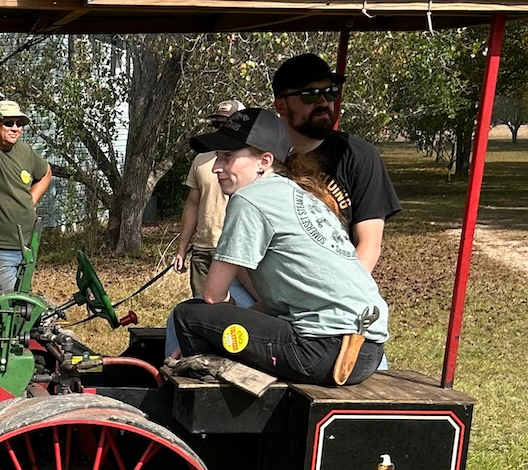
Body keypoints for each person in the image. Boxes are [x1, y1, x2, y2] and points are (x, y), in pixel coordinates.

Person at [167, 107, 388, 386]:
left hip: (324, 350)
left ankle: (219, 417)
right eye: (216, 157)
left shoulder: (250, 199)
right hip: (365, 351)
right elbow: (275, 306)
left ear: (264, 161)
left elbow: (213, 295)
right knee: (206, 322)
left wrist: (206, 332)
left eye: (228, 157)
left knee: (188, 315)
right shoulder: (298, 194)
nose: (216, 167)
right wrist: (220, 327)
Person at [271, 53, 400, 273]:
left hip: (336, 289)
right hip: (267, 291)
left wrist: (337, 296)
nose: (323, 102)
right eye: (310, 95)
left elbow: (369, 245)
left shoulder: (358, 156)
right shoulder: (260, 157)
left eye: (330, 93)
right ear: (281, 105)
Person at [0, 99, 52, 292]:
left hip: (26, 247)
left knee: (20, 302)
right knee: (14, 307)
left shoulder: (24, 151)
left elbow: (46, 173)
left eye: (19, 124)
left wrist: (32, 199)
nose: (15, 128)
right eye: (8, 123)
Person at [174, 97, 247, 293]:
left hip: (235, 252)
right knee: (202, 310)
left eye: (227, 123)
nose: (220, 128)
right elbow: (193, 204)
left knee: (239, 313)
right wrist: (182, 248)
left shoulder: (249, 163)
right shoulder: (201, 159)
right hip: (202, 250)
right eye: (217, 123)